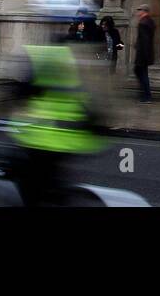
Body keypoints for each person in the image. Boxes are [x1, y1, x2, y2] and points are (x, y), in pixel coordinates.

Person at [11, 34, 105, 205]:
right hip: (73, 136)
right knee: (54, 181)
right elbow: (93, 98)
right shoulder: (77, 62)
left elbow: (18, 95)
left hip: (41, 137)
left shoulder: (40, 58)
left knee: (29, 187)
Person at [133, 5, 155, 103]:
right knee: (140, 72)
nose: (138, 12)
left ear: (144, 11)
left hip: (142, 54)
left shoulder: (143, 23)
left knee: (141, 73)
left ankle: (146, 96)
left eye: (139, 10)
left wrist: (144, 55)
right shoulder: (149, 21)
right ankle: (145, 94)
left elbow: (145, 40)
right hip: (145, 53)